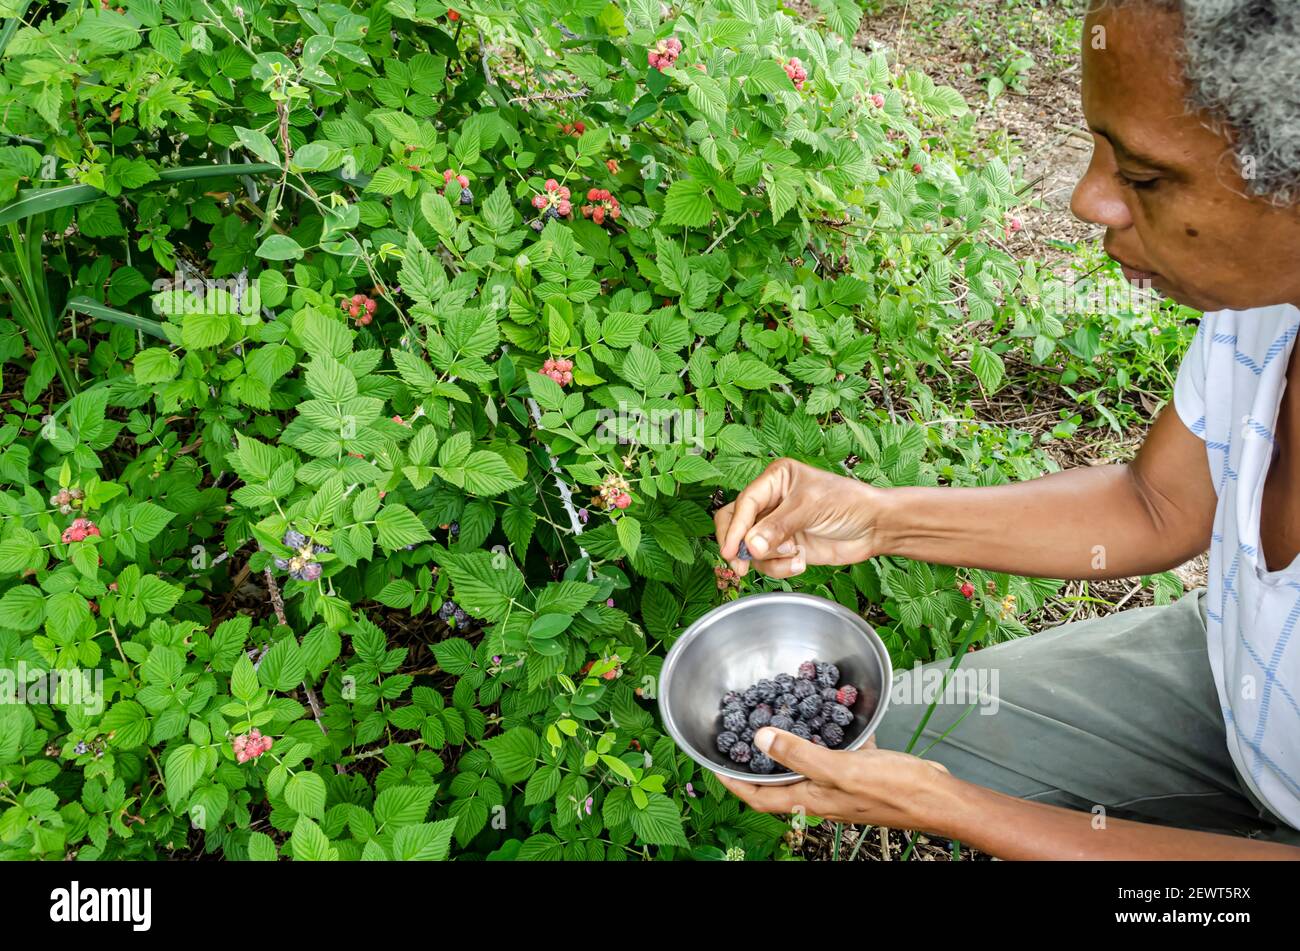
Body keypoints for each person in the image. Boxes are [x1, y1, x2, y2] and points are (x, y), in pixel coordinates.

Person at [712, 0, 1300, 859]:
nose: (1085, 198)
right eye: (1099, 145)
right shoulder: (1261, 303)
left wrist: (961, 812)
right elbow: (1155, 505)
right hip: (1236, 676)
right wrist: (880, 516)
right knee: (895, 731)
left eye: (1141, 177)